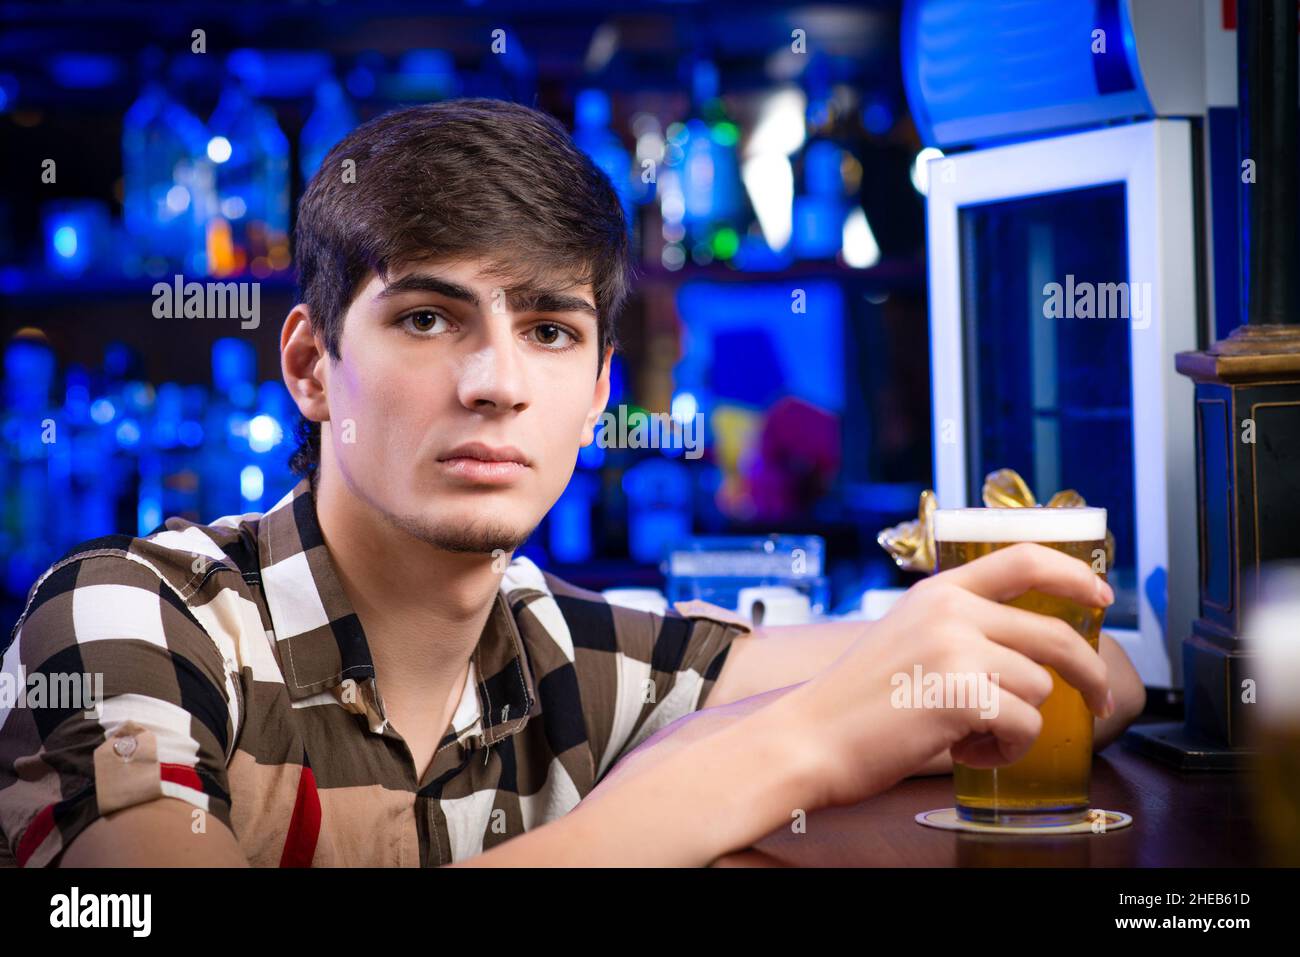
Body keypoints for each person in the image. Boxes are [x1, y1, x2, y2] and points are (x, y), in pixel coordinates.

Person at [0, 99, 1145, 867]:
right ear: (310, 366)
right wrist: (767, 759)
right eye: (428, 317)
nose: (496, 382)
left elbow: (1087, 676)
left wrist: (1005, 637)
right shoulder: (130, 617)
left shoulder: (574, 660)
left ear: (598, 393)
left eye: (548, 329)